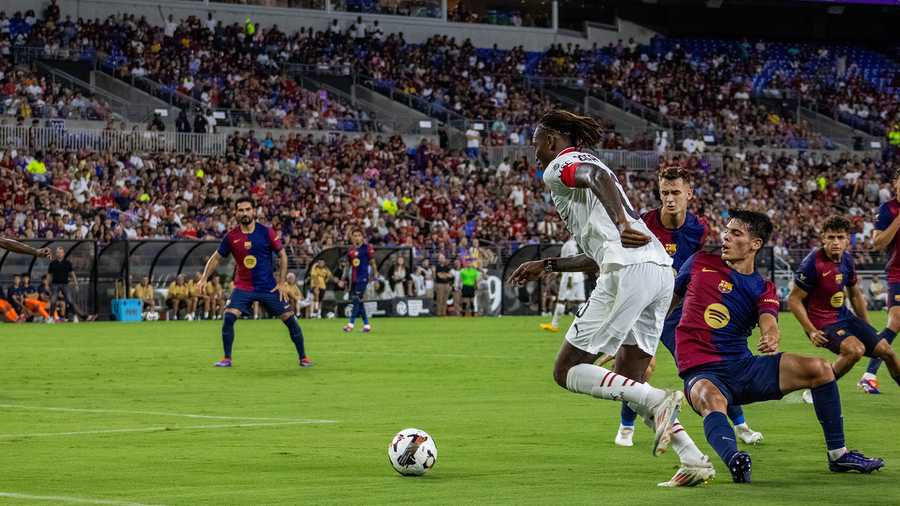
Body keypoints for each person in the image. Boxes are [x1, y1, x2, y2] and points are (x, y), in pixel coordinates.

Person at [508, 110, 714, 487]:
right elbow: (600, 248)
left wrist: (620, 222)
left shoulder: (561, 165)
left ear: (553, 140)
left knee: (566, 370)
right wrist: (550, 264)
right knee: (629, 380)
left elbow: (597, 181)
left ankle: (658, 400)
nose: (534, 151)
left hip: (628, 272)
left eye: (537, 142)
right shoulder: (592, 162)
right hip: (657, 271)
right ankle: (693, 458)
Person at [676, 210, 884, 483]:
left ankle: (839, 454)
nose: (725, 237)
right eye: (726, 231)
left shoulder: (763, 287)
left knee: (821, 369)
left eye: (736, 233)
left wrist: (771, 335)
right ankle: (735, 459)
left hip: (744, 367)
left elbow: (769, 319)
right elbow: (666, 301)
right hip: (703, 372)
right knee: (710, 399)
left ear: (755, 244)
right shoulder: (699, 262)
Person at [613, 168, 761, 448]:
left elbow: (704, 265)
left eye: (675, 193)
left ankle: (740, 425)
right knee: (640, 369)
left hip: (677, 308)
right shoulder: (643, 223)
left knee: (708, 365)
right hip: (644, 307)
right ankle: (626, 427)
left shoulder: (699, 228)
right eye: (665, 193)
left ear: (689, 194)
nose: (670, 199)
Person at [197, 197, 311, 368]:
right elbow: (216, 258)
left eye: (248, 209)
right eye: (241, 210)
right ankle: (227, 358)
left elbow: (283, 255)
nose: (244, 213)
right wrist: (204, 278)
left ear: (254, 211)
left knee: (289, 318)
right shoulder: (231, 237)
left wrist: (281, 283)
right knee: (228, 317)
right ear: (236, 213)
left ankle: (303, 358)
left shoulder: (266, 232)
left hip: (268, 287)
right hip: (244, 287)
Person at [788, 215, 900, 385]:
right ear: (823, 238)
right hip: (821, 322)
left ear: (848, 240)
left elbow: (854, 294)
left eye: (840, 237)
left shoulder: (847, 259)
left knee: (887, 352)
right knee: (855, 350)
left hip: (844, 316)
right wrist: (811, 331)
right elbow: (794, 300)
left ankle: (818, 387)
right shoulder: (812, 262)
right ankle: (820, 389)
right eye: (831, 237)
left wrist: (866, 325)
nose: (836, 242)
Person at [862, 170, 900, 392]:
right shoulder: (888, 209)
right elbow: (877, 243)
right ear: (895, 184)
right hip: (898, 273)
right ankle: (869, 374)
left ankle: (868, 374)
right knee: (896, 321)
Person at [541, 233, 584, 332]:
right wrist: (556, 273)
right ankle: (584, 327)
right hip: (579, 276)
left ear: (568, 233)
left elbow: (570, 261)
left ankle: (554, 325)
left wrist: (568, 276)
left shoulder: (569, 245)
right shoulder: (576, 243)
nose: (560, 234)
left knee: (561, 301)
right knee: (581, 301)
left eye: (562, 232)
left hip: (569, 276)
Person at [342, 228, 378, 333]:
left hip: (363, 278)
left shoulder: (367, 248)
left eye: (359, 235)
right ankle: (367, 325)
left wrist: (375, 277)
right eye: (355, 235)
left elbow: (373, 263)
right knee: (359, 302)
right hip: (353, 278)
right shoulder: (351, 250)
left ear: (362, 237)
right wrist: (343, 278)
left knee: (356, 299)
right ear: (352, 237)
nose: (357, 237)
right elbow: (348, 265)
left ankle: (350, 324)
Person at [48, 247, 96, 322]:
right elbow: (49, 275)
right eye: (58, 252)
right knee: (53, 300)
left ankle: (74, 316)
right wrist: (47, 285)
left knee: (70, 300)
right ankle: (50, 318)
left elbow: (72, 274)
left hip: (65, 284)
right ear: (56, 254)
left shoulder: (67, 263)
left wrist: (76, 284)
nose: (59, 254)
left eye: (61, 252)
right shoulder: (52, 263)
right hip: (55, 284)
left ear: (63, 254)